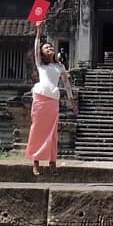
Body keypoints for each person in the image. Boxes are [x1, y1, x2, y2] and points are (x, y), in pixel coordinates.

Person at [27, 21, 79, 175]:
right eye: (46, 47)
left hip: (53, 101)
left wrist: (72, 102)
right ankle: (36, 163)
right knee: (37, 129)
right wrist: (38, 31)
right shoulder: (41, 65)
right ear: (42, 53)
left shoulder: (60, 67)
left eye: (51, 47)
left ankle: (52, 163)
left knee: (52, 132)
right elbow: (36, 49)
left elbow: (67, 85)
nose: (50, 48)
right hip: (40, 98)